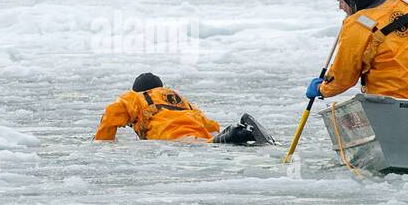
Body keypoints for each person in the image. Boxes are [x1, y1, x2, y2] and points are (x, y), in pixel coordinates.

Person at [305, 0, 408, 103]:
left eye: (342, 1)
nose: (340, 7)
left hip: (389, 100)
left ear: (353, 0)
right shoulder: (400, 0)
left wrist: (322, 88)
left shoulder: (357, 27)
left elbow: (344, 76)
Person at [94, 73, 274, 144]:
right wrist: (212, 132)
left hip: (167, 134)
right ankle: (239, 132)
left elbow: (111, 115)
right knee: (205, 143)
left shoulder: (135, 98)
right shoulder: (179, 99)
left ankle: (234, 134)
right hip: (197, 131)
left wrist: (102, 143)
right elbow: (209, 124)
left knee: (199, 144)